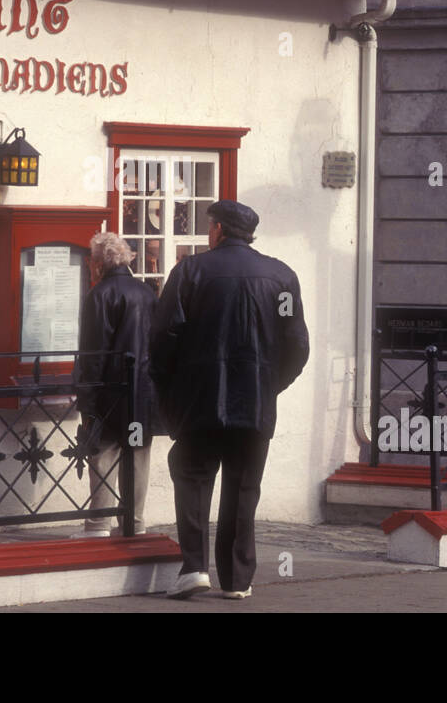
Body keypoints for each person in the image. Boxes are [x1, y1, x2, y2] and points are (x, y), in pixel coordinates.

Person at [150, 200, 309, 599]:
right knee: (242, 489)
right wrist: (269, 385)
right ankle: (238, 580)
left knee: (191, 477)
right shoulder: (281, 276)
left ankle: (194, 568)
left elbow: (163, 338)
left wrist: (172, 391)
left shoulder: (190, 271)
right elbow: (297, 346)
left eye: (210, 226)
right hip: (255, 404)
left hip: (199, 401)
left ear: (218, 229)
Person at [71, 232, 160, 537]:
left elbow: (93, 353)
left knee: (104, 453)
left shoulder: (100, 295)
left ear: (99, 262)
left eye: (92, 259)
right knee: (137, 453)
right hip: (142, 392)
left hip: (110, 392)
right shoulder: (147, 292)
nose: (90, 265)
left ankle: (99, 522)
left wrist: (87, 398)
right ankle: (133, 522)